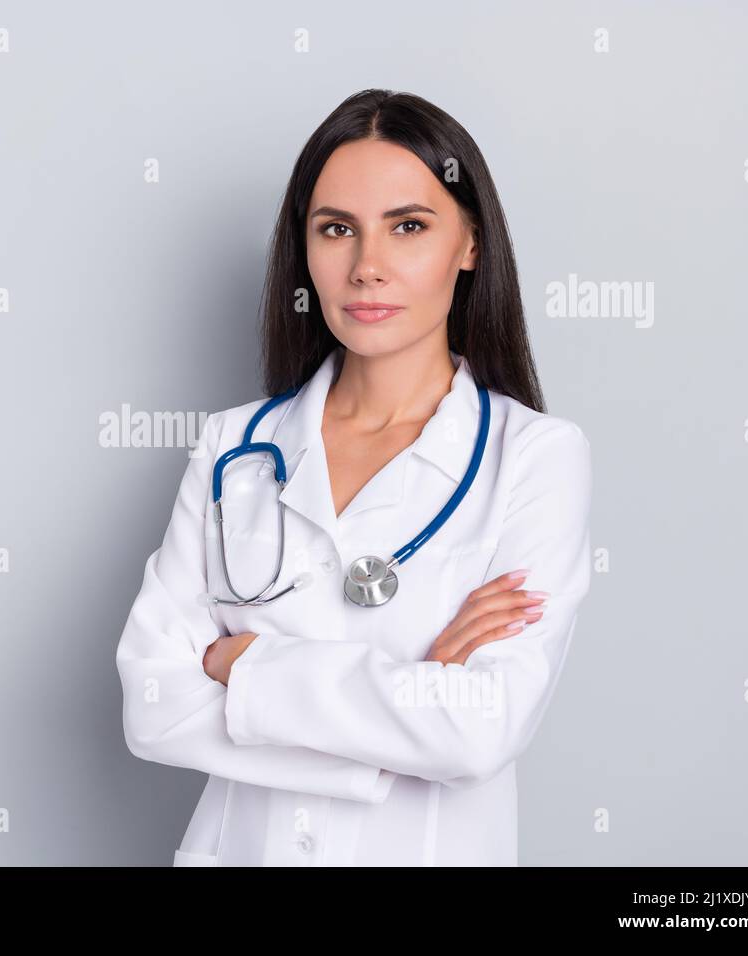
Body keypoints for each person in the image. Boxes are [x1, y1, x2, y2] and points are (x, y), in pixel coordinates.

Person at [114, 89, 593, 866]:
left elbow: (482, 729)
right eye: (337, 229)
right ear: (303, 249)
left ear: (470, 243)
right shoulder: (235, 447)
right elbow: (154, 705)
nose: (367, 267)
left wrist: (248, 667)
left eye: (409, 226)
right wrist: (409, 702)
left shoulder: (536, 457)